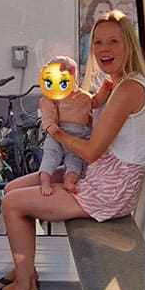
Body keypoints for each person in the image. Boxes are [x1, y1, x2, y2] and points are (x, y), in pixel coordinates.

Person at [0, 11, 145, 290]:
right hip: (97, 173)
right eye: (98, 42)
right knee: (12, 190)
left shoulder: (129, 89)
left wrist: (54, 130)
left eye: (114, 41)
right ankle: (27, 270)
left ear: (129, 46)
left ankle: (25, 288)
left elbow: (90, 151)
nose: (104, 49)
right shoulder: (116, 85)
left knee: (13, 204)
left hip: (110, 190)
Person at [37, 55, 92, 195]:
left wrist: (92, 126)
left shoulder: (79, 96)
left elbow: (89, 109)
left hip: (78, 135)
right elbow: (48, 113)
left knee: (75, 162)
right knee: (50, 157)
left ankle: (69, 181)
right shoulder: (51, 98)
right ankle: (45, 183)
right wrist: (50, 126)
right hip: (57, 133)